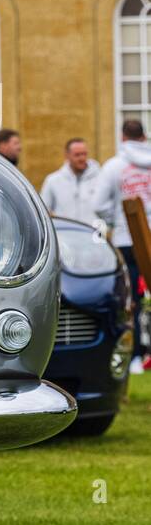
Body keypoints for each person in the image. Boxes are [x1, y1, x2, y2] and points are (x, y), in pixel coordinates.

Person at [97, 119, 151, 373]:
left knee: (131, 300)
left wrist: (115, 220)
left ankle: (136, 358)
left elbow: (99, 204)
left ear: (122, 136)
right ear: (144, 137)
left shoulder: (114, 166)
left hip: (126, 239)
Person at [40, 138, 104, 224]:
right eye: (77, 155)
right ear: (67, 155)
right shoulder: (52, 180)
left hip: (93, 235)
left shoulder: (100, 178)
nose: (82, 158)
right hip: (64, 235)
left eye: (84, 154)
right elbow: (43, 210)